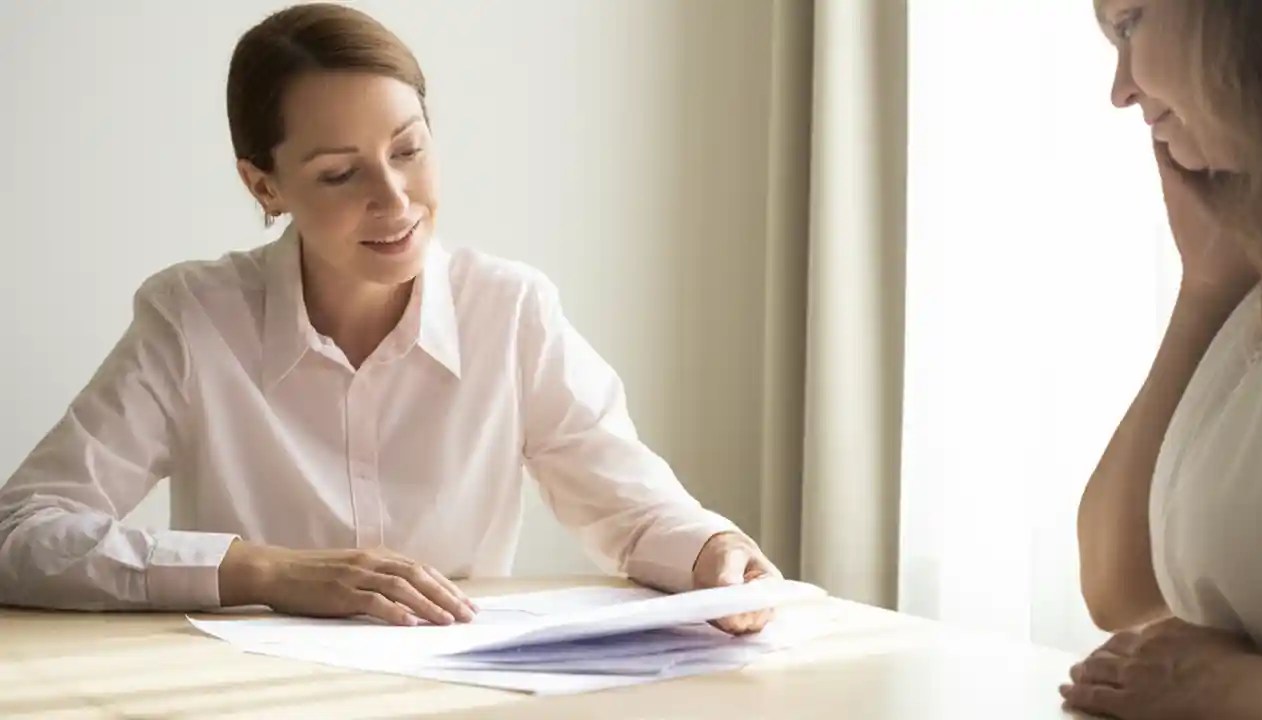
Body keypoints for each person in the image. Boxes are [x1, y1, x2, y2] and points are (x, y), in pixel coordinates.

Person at [0, 3, 779, 634]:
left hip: (456, 694)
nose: (395, 199)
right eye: (340, 173)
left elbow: (634, 509)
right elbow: (22, 534)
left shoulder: (509, 310)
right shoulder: (192, 320)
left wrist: (716, 550)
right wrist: (264, 570)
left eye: (408, 150)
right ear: (263, 185)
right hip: (245, 695)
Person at [1065, 1, 1262, 717]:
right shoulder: (1249, 297)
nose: (1121, 89)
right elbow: (1120, 588)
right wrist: (1207, 289)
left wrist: (1237, 690)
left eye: (1130, 25)